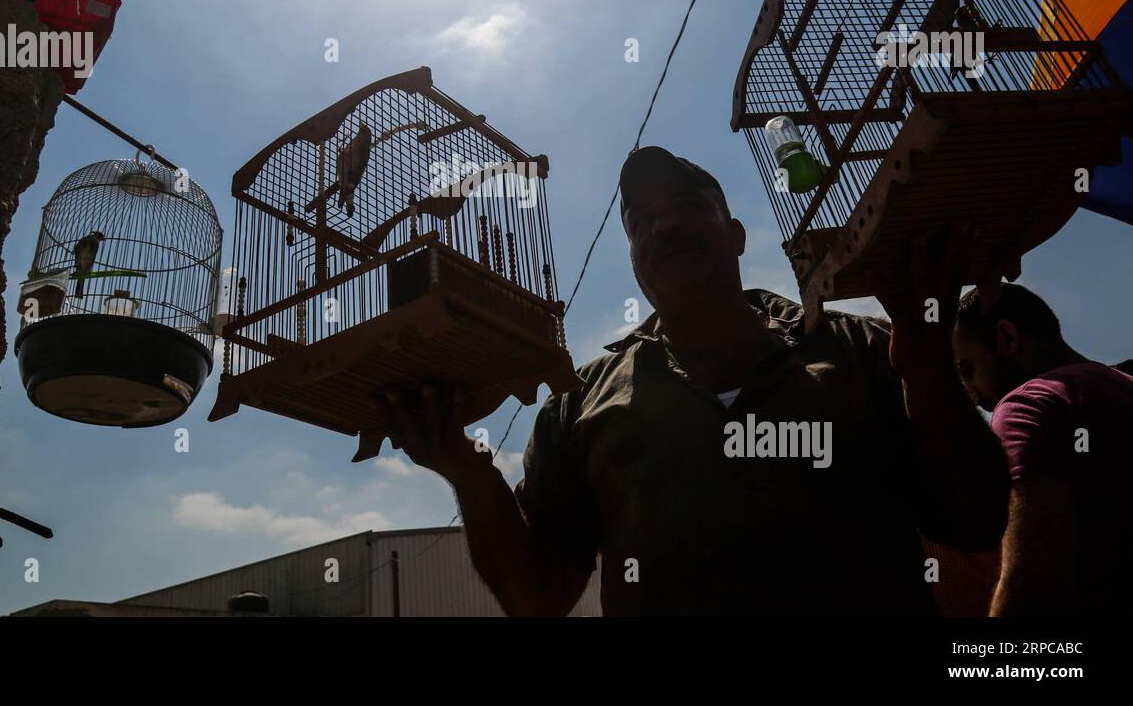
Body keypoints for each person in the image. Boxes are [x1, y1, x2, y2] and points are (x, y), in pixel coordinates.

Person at [380, 147, 1009, 615]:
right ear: (631, 254)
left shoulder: (861, 348)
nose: (663, 227)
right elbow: (536, 597)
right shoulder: (580, 404)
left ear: (735, 236)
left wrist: (929, 373)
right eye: (641, 220)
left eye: (686, 206)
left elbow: (979, 520)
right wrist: (468, 472)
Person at [953, 283, 1133, 615]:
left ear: (1007, 338)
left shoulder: (1027, 406)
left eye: (968, 370)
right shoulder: (1120, 385)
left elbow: (1032, 582)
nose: (970, 391)